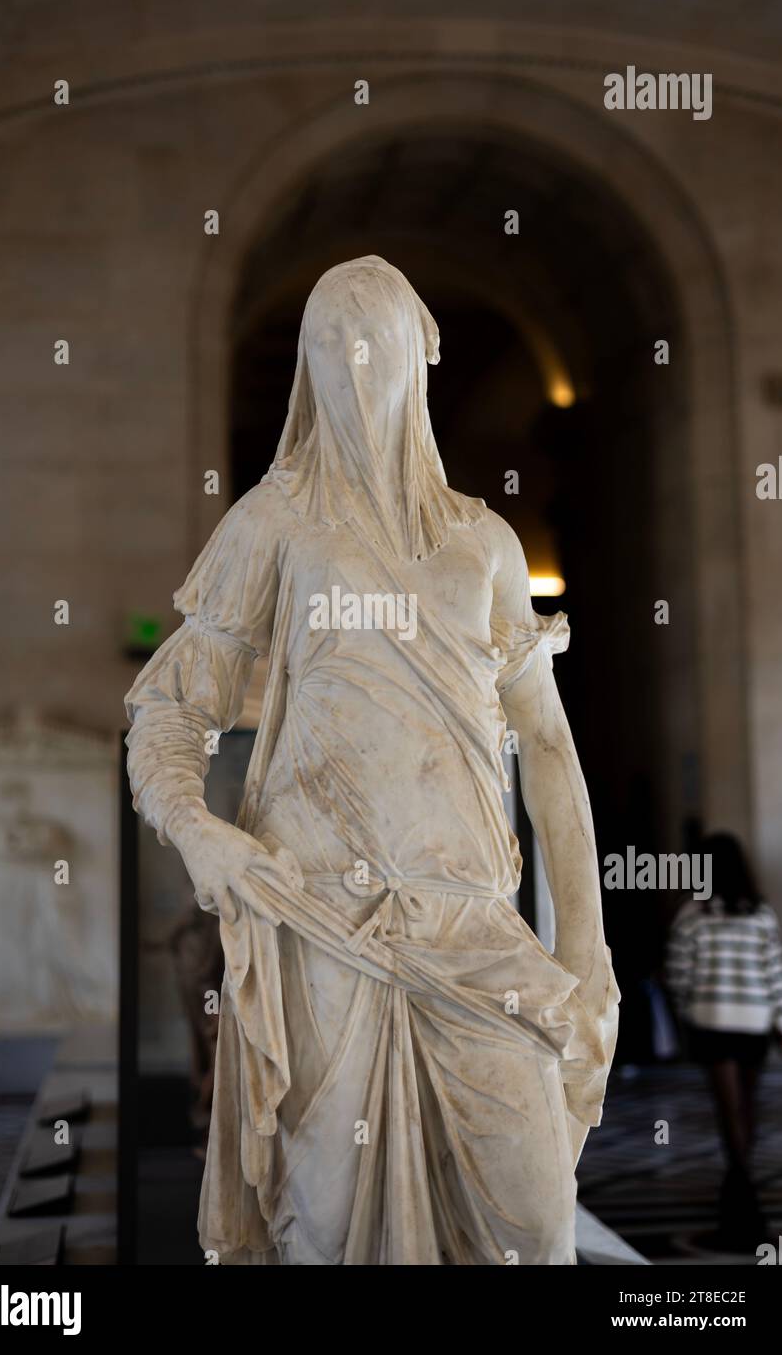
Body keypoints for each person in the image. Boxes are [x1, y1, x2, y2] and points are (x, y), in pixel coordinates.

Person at [124, 255, 619, 1265]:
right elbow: (171, 709)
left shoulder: (482, 544)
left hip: (471, 926)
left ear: (413, 360)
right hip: (322, 925)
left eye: (372, 342)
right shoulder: (273, 523)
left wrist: (588, 943)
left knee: (531, 1219)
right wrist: (200, 835)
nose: (352, 366)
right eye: (327, 345)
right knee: (331, 1218)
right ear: (307, 368)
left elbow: (553, 749)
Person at [665, 832, 782, 1250]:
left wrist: (686, 1012)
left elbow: (679, 974)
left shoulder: (692, 914)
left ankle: (740, 1184)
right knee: (749, 1106)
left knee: (728, 1109)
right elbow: (775, 973)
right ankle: (743, 1185)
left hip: (712, 1020)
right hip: (755, 1023)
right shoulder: (761, 915)